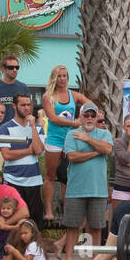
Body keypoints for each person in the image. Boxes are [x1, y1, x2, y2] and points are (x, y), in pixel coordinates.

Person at [60, 103, 112, 260]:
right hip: (76, 189)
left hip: (98, 190)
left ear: (96, 117)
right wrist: (96, 151)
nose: (89, 118)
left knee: (96, 227)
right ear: (80, 117)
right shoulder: (71, 134)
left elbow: (108, 149)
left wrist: (88, 139)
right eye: (86, 115)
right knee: (72, 226)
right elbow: (72, 156)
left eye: (92, 115)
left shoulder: (104, 133)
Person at [40, 64, 88, 222]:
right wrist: (74, 123)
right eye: (59, 76)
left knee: (67, 176)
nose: (62, 79)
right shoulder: (48, 96)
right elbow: (52, 118)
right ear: (54, 77)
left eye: (65, 76)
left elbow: (91, 105)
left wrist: (86, 117)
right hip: (54, 140)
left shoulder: (73, 95)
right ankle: (48, 210)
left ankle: (68, 210)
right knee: (51, 176)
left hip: (70, 140)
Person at [0, 93, 46, 223]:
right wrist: (28, 150)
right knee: (13, 220)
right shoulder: (5, 128)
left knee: (34, 222)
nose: (26, 108)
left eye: (29, 105)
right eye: (23, 105)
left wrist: (33, 127)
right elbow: (7, 155)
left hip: (33, 181)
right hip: (13, 181)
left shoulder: (38, 128)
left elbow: (38, 150)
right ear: (14, 106)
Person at [0, 54, 30, 124]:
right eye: (11, 67)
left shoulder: (23, 87)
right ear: (3, 69)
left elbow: (28, 109)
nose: (14, 70)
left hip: (18, 130)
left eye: (17, 67)